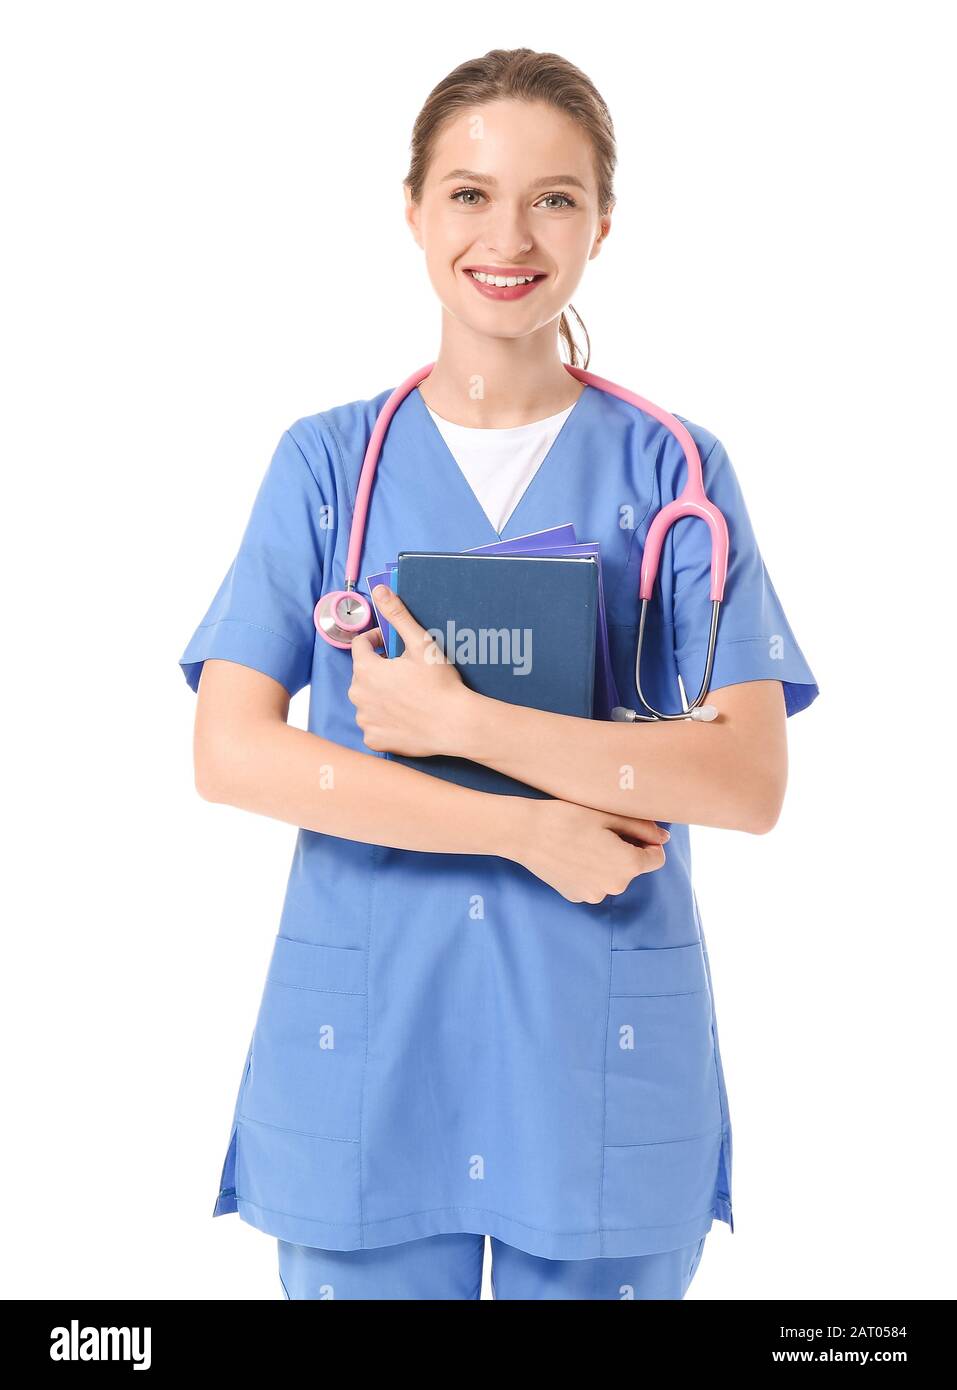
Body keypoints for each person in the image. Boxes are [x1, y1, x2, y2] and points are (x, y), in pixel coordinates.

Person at [178, 47, 819, 1301]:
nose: (508, 234)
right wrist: (524, 830)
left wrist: (460, 719)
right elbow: (231, 751)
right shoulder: (328, 464)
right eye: (469, 194)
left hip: (596, 1061)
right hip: (370, 1054)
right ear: (413, 210)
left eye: (554, 197)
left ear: (603, 222)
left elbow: (746, 780)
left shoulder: (676, 474)